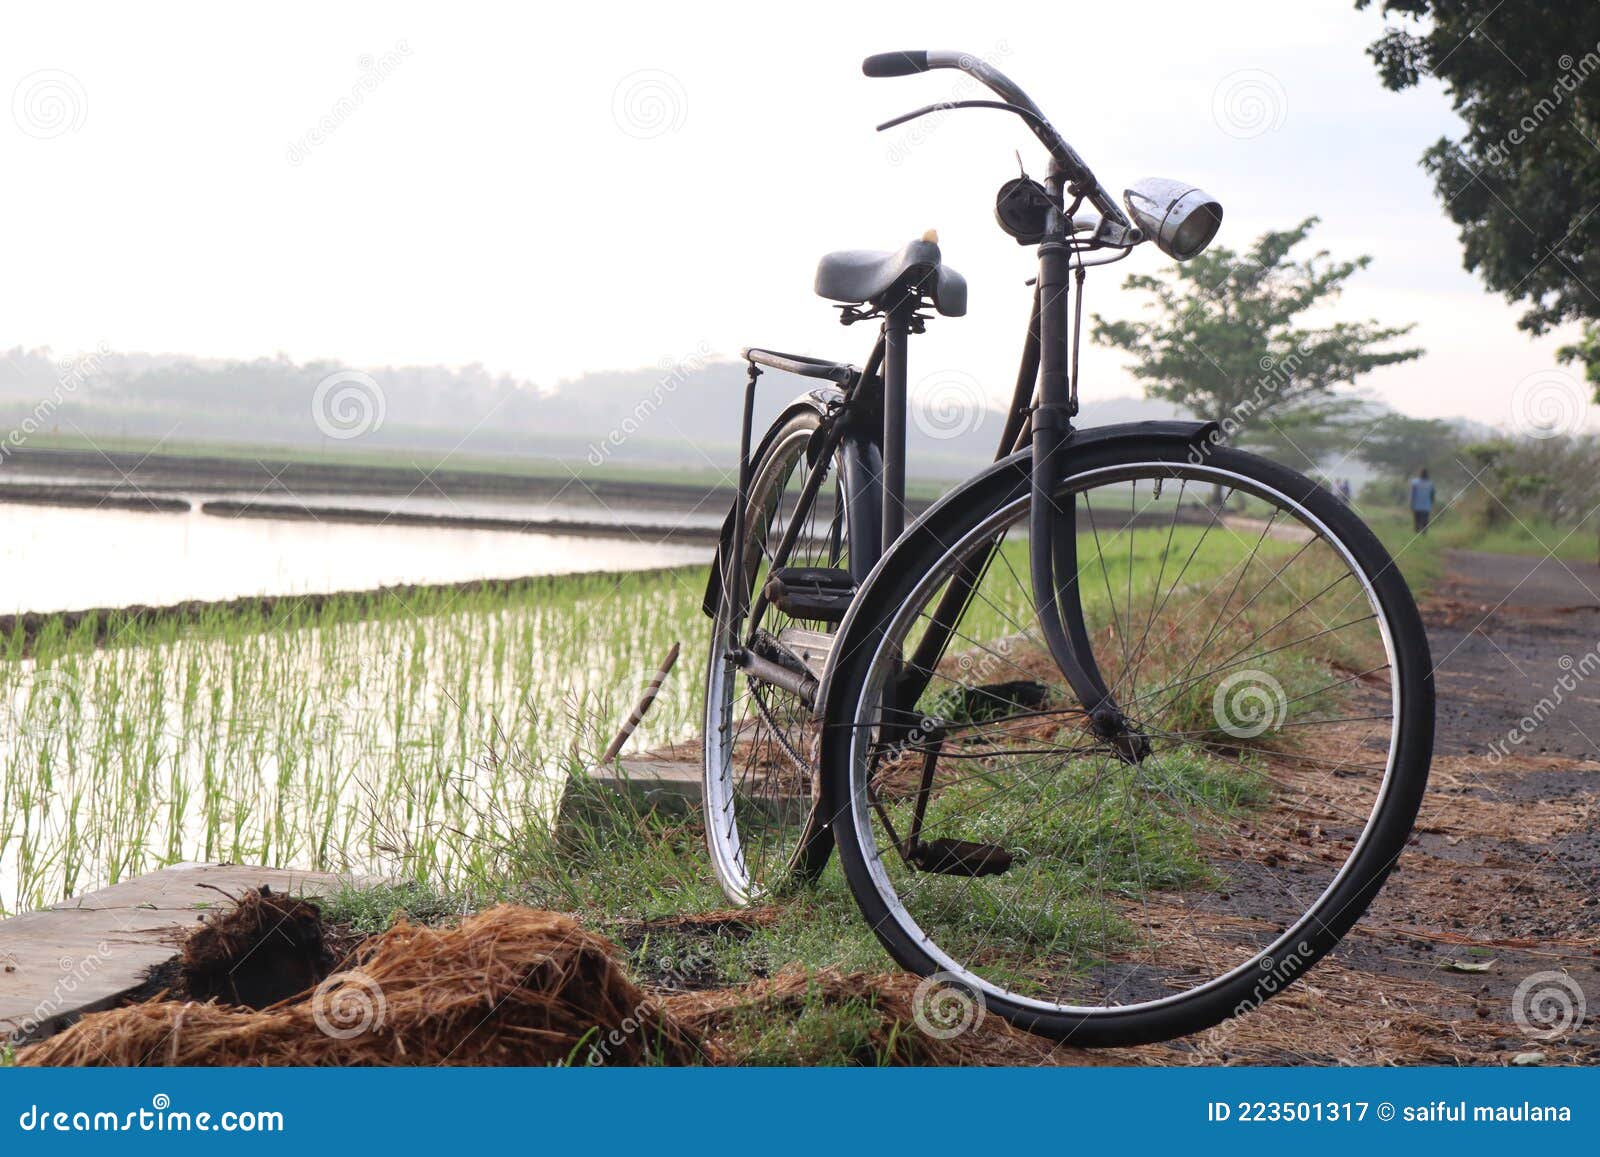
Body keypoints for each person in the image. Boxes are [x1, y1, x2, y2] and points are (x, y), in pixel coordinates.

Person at [1409, 467, 1435, 533]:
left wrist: (1411, 504)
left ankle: (1416, 534)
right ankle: (1424, 534)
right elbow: (1432, 495)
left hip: (1417, 505)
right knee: (1425, 522)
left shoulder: (1415, 482)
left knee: (1417, 521)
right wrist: (1431, 503)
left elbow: (1413, 495)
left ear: (1420, 474)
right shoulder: (1430, 483)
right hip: (1426, 506)